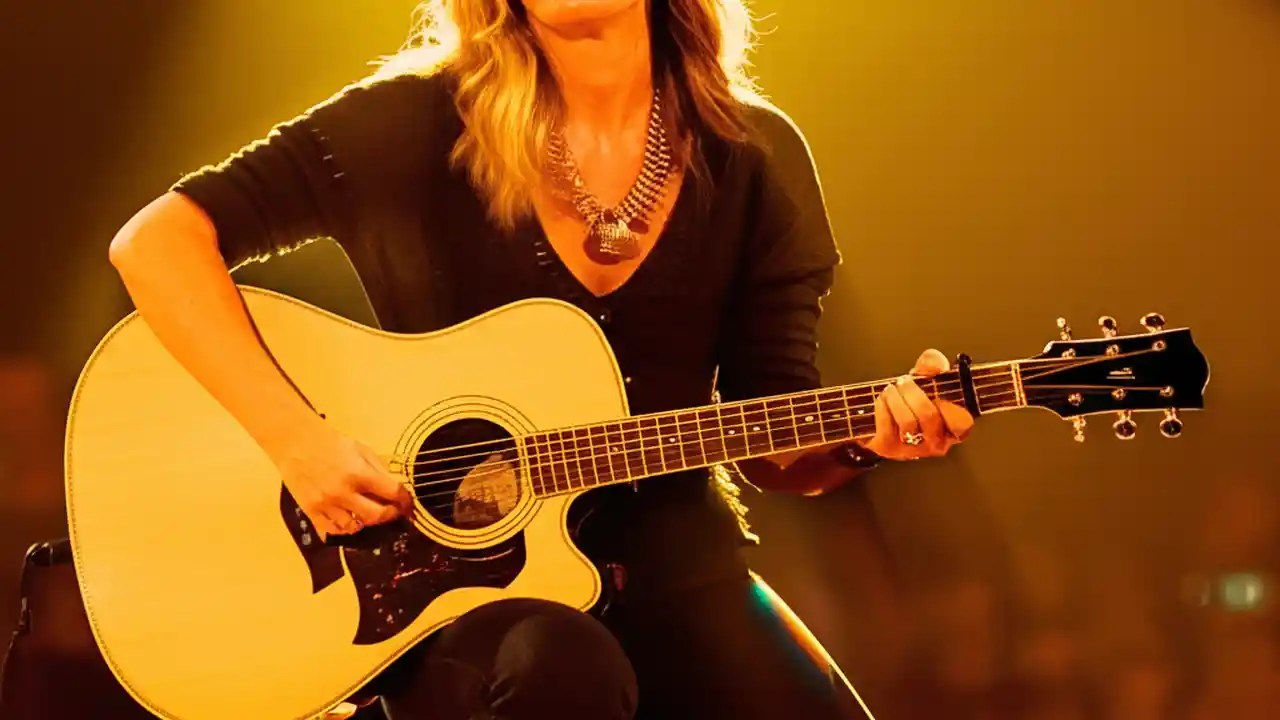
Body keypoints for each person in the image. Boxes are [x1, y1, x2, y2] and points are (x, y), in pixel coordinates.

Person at [107, 1, 974, 717]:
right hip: (450, 599)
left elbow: (775, 437)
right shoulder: (409, 122)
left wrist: (868, 438)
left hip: (682, 575)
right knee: (563, 672)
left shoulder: (754, 154)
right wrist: (297, 442)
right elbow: (156, 244)